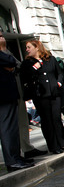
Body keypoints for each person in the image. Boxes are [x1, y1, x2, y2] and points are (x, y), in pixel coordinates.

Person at [20, 40, 64, 155]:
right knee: (47, 120)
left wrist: (59, 83)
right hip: (41, 96)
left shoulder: (50, 59)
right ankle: (53, 145)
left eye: (29, 47)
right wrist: (34, 68)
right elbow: (24, 77)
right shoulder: (27, 63)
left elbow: (59, 73)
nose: (27, 50)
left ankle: (61, 143)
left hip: (54, 93)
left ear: (37, 47)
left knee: (56, 119)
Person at [0, 38, 34, 172]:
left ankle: (16, 157)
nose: (2, 38)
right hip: (3, 96)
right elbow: (11, 61)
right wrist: (2, 48)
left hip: (8, 95)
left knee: (13, 128)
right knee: (7, 129)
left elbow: (14, 66)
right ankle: (12, 160)